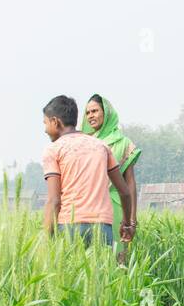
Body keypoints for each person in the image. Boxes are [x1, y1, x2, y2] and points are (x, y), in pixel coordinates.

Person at [41, 94, 136, 246]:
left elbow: (54, 201)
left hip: (69, 226)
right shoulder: (101, 146)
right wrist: (127, 223)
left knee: (71, 270)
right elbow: (124, 192)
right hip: (103, 227)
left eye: (45, 123)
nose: (45, 130)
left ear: (55, 122)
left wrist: (45, 241)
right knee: (103, 270)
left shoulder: (53, 150)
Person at [81, 94, 141, 260]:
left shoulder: (123, 143)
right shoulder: (84, 143)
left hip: (117, 208)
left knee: (117, 259)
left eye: (95, 111)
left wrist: (131, 219)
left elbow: (130, 183)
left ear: (106, 113)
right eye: (87, 113)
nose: (91, 116)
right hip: (88, 207)